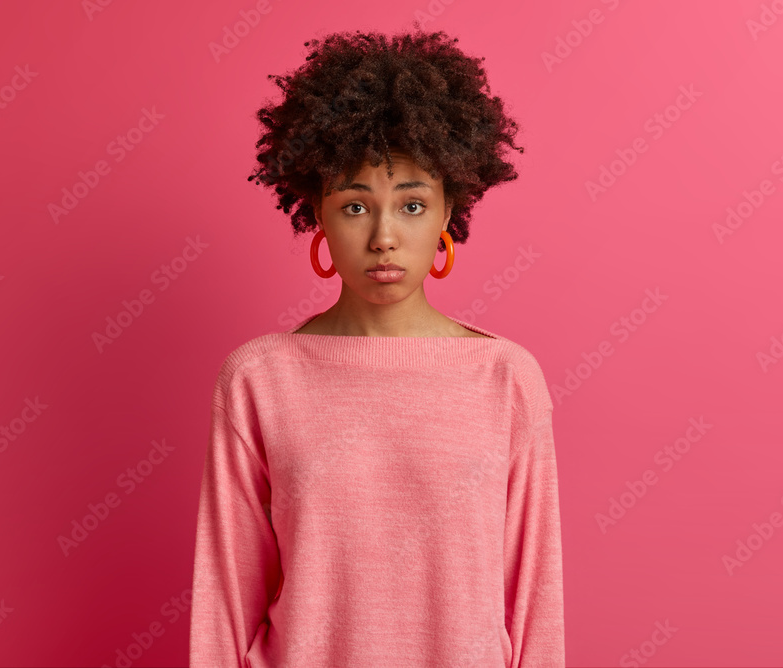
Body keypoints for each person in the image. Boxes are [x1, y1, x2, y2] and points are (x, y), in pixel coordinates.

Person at [190, 28, 563, 667]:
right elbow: (224, 598)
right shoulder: (258, 379)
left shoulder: (506, 379)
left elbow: (535, 605)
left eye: (412, 205)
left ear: (450, 210)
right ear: (317, 212)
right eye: (356, 207)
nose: (385, 236)